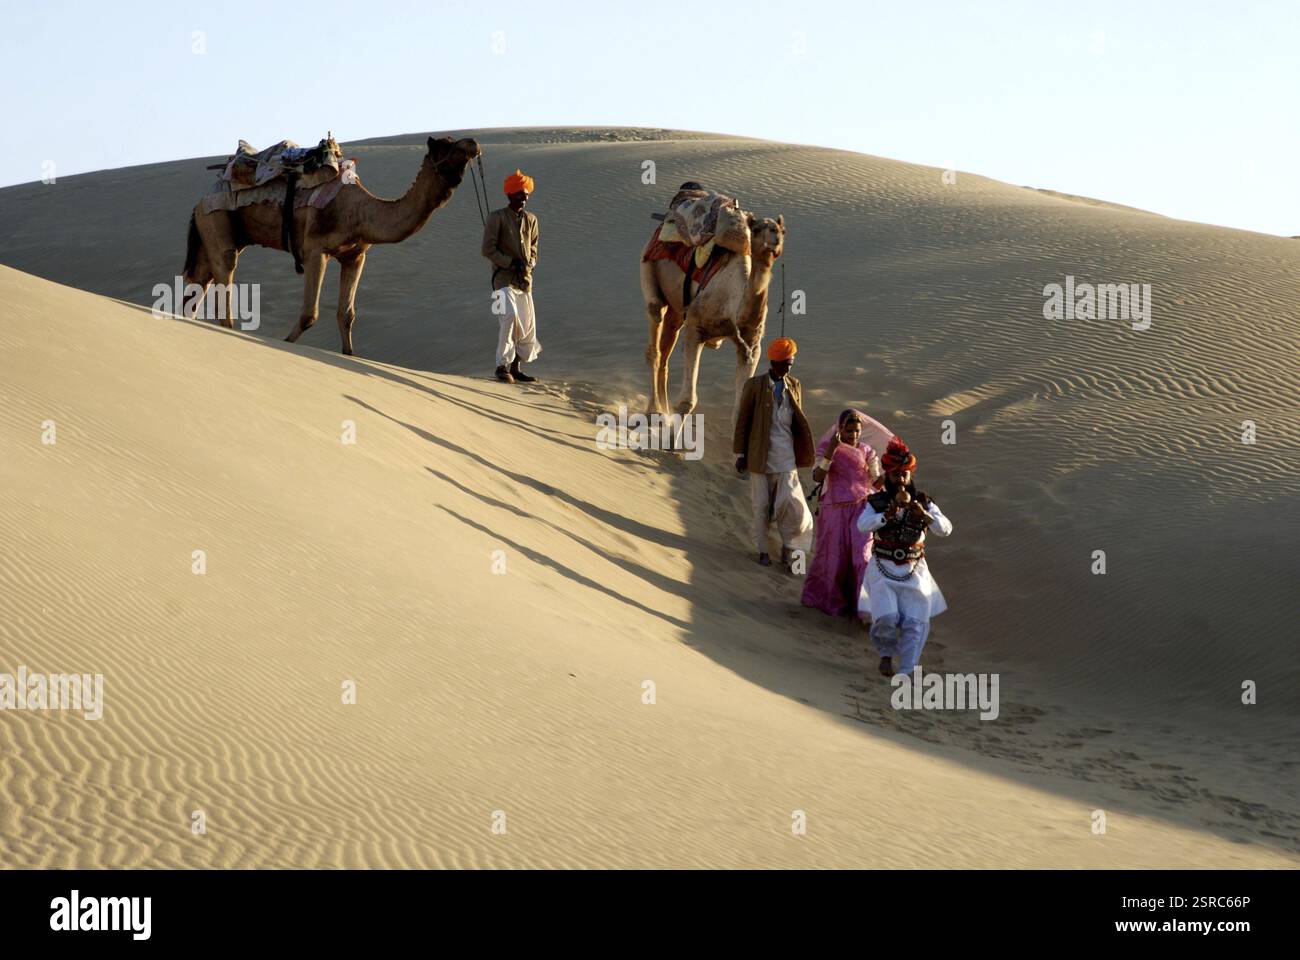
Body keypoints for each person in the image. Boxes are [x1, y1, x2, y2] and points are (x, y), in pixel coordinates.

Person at [855, 437, 953, 677]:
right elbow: (862, 525)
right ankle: (886, 654)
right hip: (882, 568)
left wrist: (924, 516)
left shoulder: (923, 501)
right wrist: (886, 515)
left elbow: (946, 528)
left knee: (914, 623)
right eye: (896, 475)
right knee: (886, 618)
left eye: (904, 475)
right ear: (887, 476)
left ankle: (908, 669)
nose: (901, 480)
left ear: (910, 476)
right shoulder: (877, 502)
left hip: (914, 570)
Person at [733, 337, 814, 567]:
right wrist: (740, 454)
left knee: (792, 508)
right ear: (774, 362)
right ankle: (763, 551)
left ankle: (790, 548)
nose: (790, 366)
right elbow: (743, 421)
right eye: (786, 362)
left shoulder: (795, 385)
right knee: (761, 507)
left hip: (787, 459)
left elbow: (798, 421)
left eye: (791, 361)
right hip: (760, 458)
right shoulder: (755, 386)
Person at [800, 409, 887, 616]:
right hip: (835, 511)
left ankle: (865, 609)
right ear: (840, 430)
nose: (853, 435)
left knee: (862, 557)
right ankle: (834, 602)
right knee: (834, 558)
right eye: (849, 431)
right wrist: (831, 451)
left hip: (861, 509)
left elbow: (875, 481)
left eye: (857, 431)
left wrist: (893, 472)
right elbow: (818, 477)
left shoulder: (867, 451)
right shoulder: (828, 448)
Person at [481, 169, 540, 383]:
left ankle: (516, 367)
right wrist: (510, 262)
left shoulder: (532, 220)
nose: (523, 198)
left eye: (525, 194)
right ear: (509, 195)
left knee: (525, 324)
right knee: (509, 318)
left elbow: (534, 249)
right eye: (519, 194)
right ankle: (501, 365)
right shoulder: (496, 218)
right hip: (502, 280)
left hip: (524, 281)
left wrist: (529, 264)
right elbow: (487, 250)